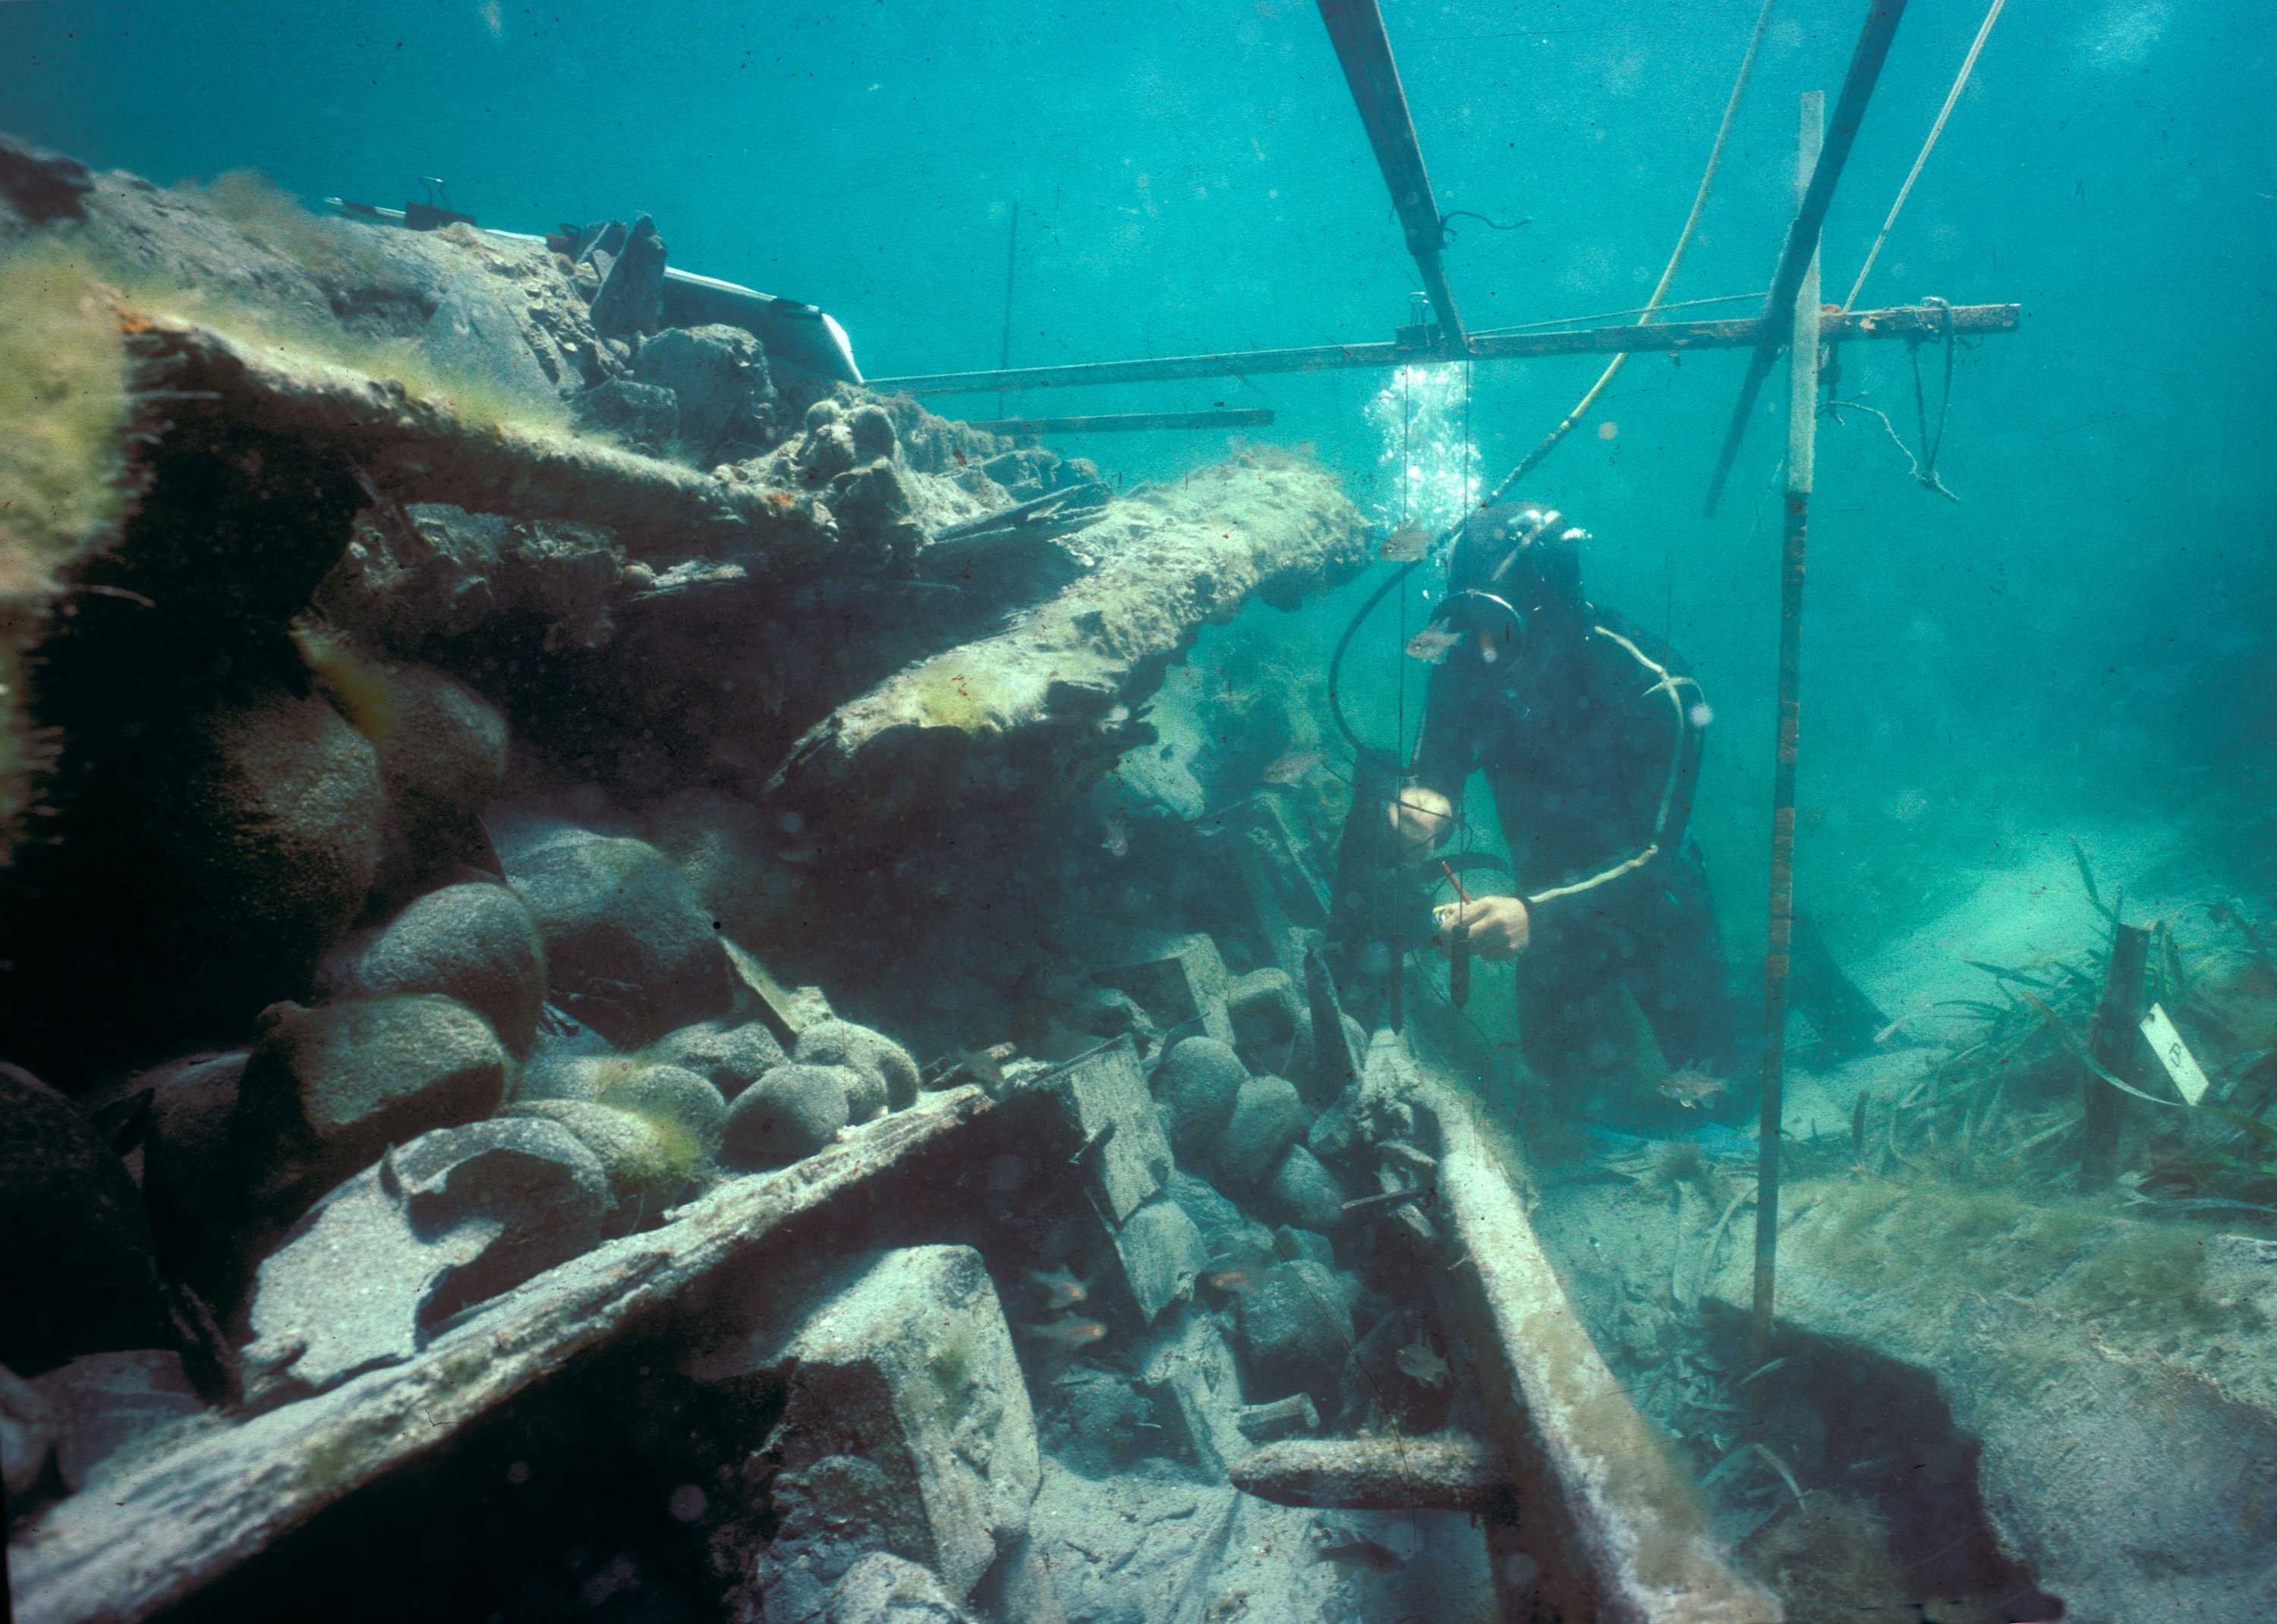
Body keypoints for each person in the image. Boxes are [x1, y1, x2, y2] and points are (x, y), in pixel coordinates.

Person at [1389, 502, 1753, 1129]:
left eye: (1497, 627)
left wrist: (1535, 914)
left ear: (1554, 610)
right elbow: (1438, 768)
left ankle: (1797, 967)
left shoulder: (1656, 686)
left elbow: (1654, 854)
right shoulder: (1466, 659)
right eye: (1466, 621)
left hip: (1651, 906)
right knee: (1577, 1100)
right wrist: (1426, 803)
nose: (1482, 650)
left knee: (1727, 1099)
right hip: (1544, 915)